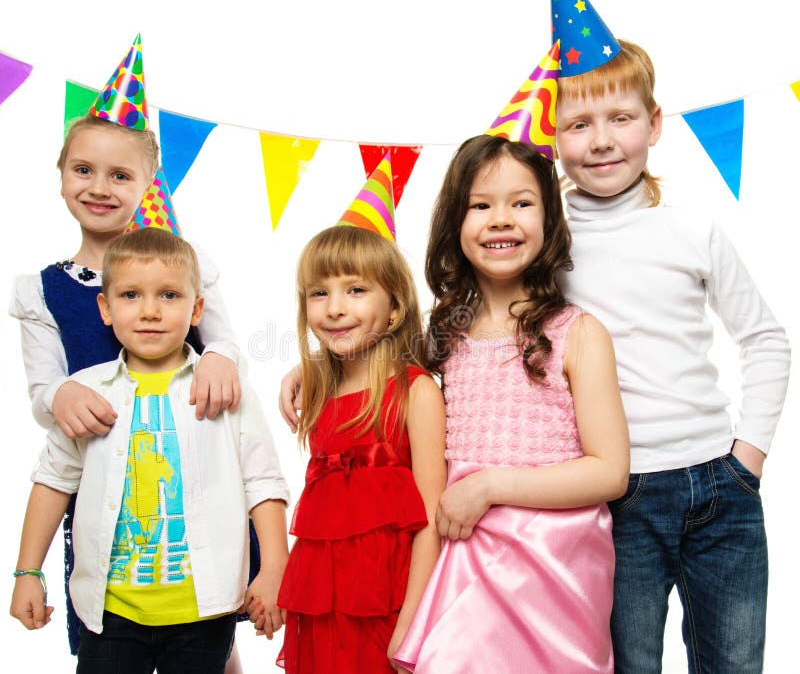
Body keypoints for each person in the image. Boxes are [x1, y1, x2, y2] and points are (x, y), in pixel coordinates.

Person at [555, 39, 791, 673]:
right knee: (628, 665)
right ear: (551, 138)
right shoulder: (546, 245)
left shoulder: (693, 230)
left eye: (621, 118)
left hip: (721, 486)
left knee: (733, 663)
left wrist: (748, 459)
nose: (601, 141)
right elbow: (476, 323)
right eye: (579, 124)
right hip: (615, 495)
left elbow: (765, 338)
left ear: (654, 124)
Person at [385, 135, 629, 672]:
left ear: (549, 222)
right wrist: (303, 375)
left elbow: (610, 472)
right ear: (455, 223)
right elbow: (370, 366)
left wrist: (490, 485)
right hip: (466, 560)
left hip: (555, 569)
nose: (501, 219)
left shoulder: (579, 334)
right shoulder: (443, 338)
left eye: (521, 203)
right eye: (480, 205)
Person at [9, 112, 246, 663]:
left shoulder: (182, 269)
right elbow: (44, 391)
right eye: (84, 169)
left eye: (120, 175)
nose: (98, 187)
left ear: (147, 185)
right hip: (105, 485)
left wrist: (218, 355)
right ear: (61, 173)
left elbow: (226, 345)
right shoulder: (42, 291)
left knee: (211, 629)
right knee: (109, 631)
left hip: (195, 480)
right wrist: (60, 396)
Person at [9, 228, 290, 674]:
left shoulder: (222, 387)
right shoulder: (85, 391)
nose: (150, 312)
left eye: (169, 295)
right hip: (110, 613)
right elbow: (52, 482)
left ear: (197, 308)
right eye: (131, 295)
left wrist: (275, 567)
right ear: (105, 308)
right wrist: (27, 573)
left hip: (204, 610)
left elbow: (262, 481)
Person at [276, 224, 447, 674]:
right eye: (318, 293)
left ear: (394, 309)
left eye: (355, 290)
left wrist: (412, 624)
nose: (334, 308)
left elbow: (432, 519)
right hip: (324, 611)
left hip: (388, 610)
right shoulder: (315, 393)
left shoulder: (416, 391)